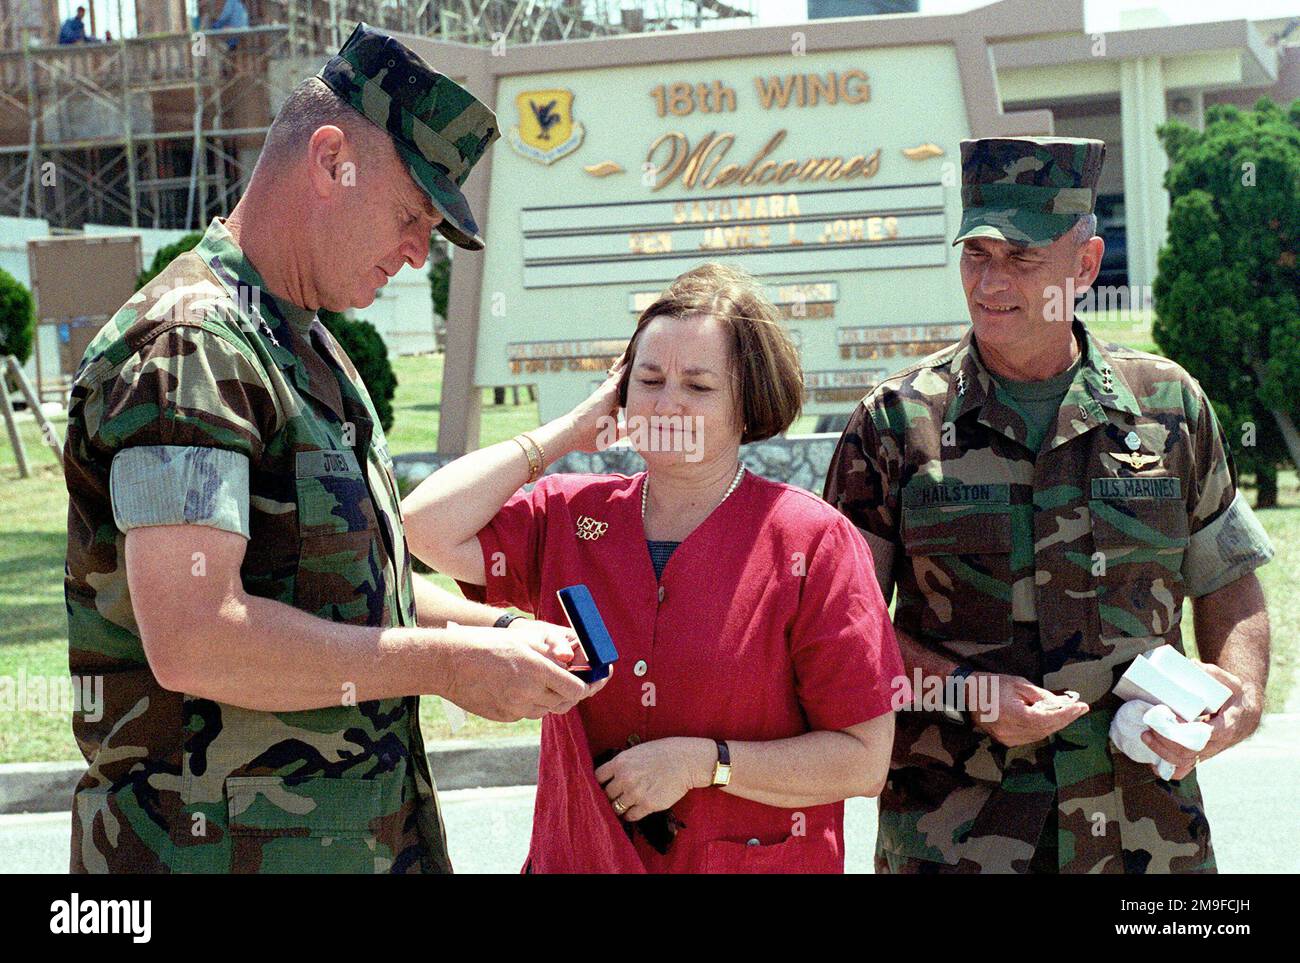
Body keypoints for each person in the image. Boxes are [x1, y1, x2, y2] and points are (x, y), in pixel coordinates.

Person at [63, 23, 602, 875]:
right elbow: (197, 633)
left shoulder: (303, 345)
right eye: (409, 214)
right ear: (327, 159)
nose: (419, 251)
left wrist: (499, 630)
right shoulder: (190, 347)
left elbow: (349, 584)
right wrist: (453, 666)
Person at [824, 136, 1274, 874]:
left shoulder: (1167, 405)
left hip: (1146, 836)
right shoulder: (895, 423)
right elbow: (843, 626)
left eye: (1022, 258)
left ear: (1086, 264)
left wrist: (1242, 695)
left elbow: (1227, 575)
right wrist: (965, 692)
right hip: (957, 837)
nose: (990, 280)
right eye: (976, 253)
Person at [402, 263, 905, 873]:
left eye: (698, 386)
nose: (667, 403)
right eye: (649, 379)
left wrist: (708, 763)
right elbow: (421, 526)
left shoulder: (813, 544)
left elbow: (862, 758)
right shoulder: (567, 516)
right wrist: (567, 431)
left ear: (748, 404)